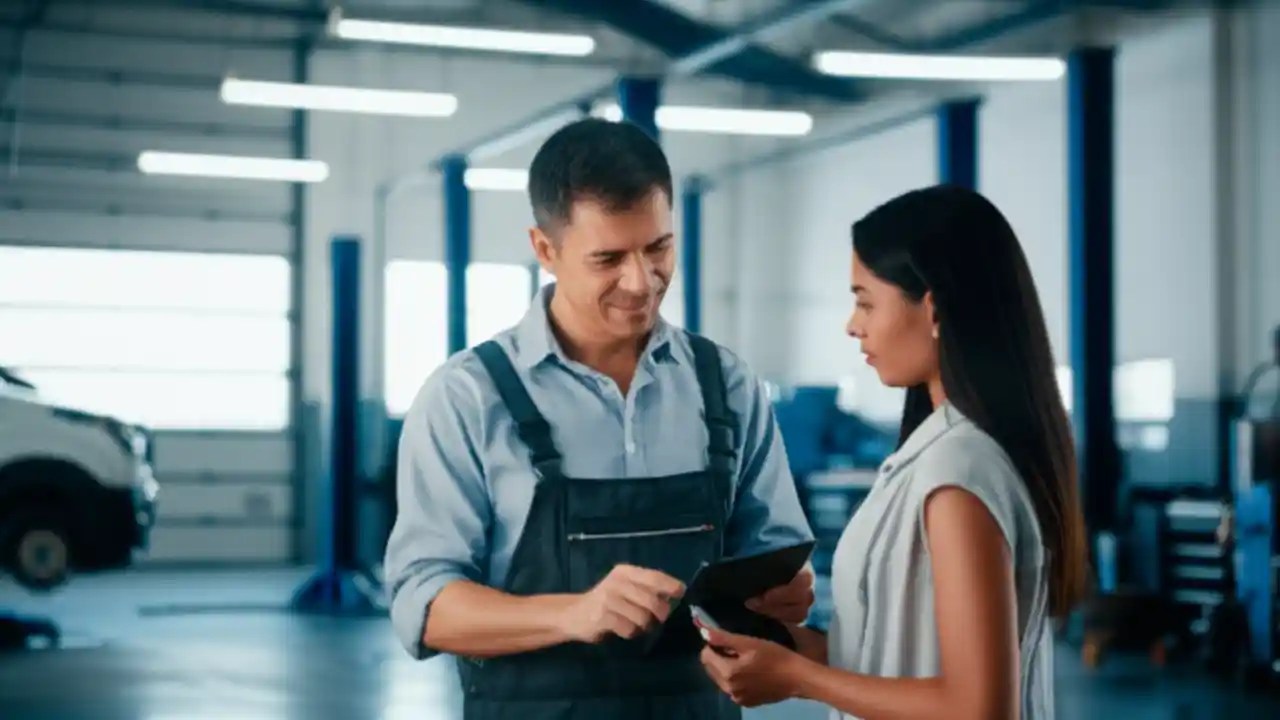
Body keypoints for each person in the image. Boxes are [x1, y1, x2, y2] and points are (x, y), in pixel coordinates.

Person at [382, 117, 816, 720]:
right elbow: (422, 603)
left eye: (658, 248)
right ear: (545, 249)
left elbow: (775, 554)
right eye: (608, 258)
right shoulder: (468, 398)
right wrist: (572, 612)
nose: (641, 281)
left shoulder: (728, 386)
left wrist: (789, 593)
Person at [696, 185, 1089, 720]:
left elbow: (979, 708)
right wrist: (783, 648)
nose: (852, 324)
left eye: (864, 301)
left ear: (934, 307)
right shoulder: (939, 453)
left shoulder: (959, 471)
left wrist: (802, 680)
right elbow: (891, 659)